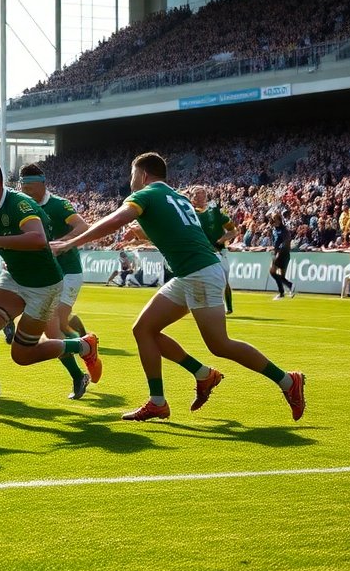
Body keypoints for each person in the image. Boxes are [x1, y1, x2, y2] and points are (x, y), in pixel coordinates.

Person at [51, 152, 306, 422]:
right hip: (192, 273)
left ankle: (288, 381)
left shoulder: (145, 194)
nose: (130, 181)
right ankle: (165, 396)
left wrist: (70, 243)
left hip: (198, 273)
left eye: (132, 175)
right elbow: (178, 230)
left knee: (220, 344)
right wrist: (142, 233)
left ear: (143, 175)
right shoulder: (177, 197)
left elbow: (116, 218)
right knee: (144, 330)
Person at [0, 160, 99, 420]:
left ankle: (83, 346)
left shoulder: (20, 204)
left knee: (22, 355)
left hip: (44, 285)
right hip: (13, 277)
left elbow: (38, 239)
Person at [16, 163, 103, 400]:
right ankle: (81, 363)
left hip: (68, 271)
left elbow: (83, 226)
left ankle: (83, 350)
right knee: (54, 332)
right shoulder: (21, 207)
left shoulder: (59, 204)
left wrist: (62, 244)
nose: (26, 190)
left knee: (56, 327)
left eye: (30, 186)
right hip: (44, 275)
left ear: (43, 183)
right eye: (23, 186)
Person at [188, 186, 237, 314]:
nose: (200, 196)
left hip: (219, 251)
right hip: (201, 253)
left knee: (224, 279)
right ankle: (202, 306)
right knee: (201, 281)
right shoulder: (189, 214)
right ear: (192, 198)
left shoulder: (216, 211)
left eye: (202, 193)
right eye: (197, 194)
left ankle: (229, 306)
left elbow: (233, 230)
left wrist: (221, 240)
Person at [269, 212, 296, 300]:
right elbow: (274, 241)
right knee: (279, 275)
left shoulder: (284, 230)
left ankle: (287, 287)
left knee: (272, 271)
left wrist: (278, 252)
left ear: (279, 220)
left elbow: (286, 242)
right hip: (277, 252)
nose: (273, 220)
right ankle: (283, 291)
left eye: (275, 218)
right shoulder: (273, 229)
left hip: (283, 254)